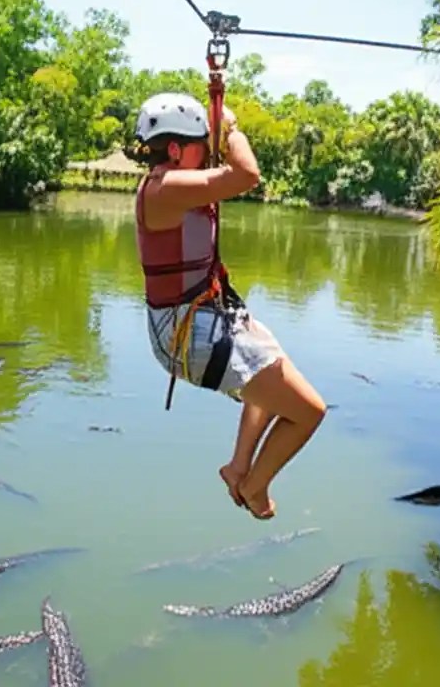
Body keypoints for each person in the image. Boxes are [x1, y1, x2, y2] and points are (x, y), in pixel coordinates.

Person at [130, 92, 327, 521]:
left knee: (275, 367)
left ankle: (238, 467)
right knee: (310, 412)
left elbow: (226, 174)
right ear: (177, 149)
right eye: (201, 145)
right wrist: (232, 129)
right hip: (186, 332)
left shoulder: (174, 185)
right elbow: (246, 174)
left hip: (199, 320)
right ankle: (254, 488)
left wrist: (217, 127)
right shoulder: (165, 187)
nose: (207, 153)